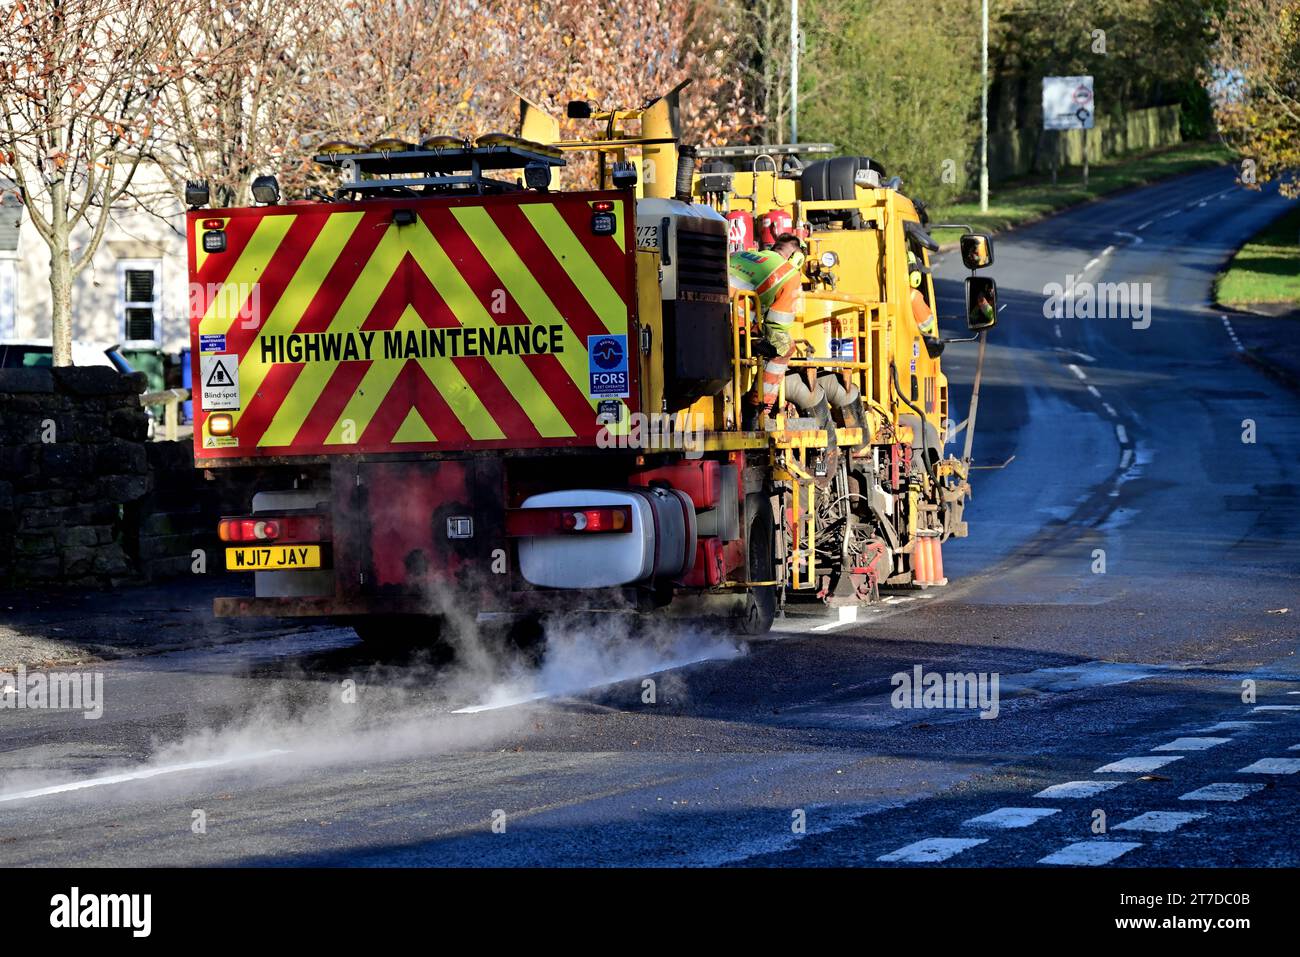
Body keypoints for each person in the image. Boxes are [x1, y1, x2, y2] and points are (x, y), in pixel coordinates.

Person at [729, 232, 805, 424]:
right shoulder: (789, 273)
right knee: (784, 348)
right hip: (731, 328)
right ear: (797, 258)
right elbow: (776, 326)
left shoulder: (738, 255)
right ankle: (756, 407)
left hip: (699, 317)